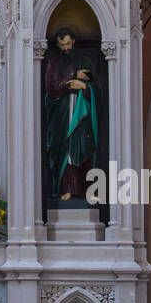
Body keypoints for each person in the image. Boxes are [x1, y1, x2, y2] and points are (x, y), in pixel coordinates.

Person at [42, 27, 101, 201]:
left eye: (68, 44)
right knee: (65, 151)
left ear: (73, 41)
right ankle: (66, 188)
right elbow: (51, 88)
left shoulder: (85, 62)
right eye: (61, 45)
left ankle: (85, 190)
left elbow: (99, 90)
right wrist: (72, 78)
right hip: (61, 116)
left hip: (81, 115)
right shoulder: (53, 64)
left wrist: (85, 87)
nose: (65, 48)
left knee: (82, 148)